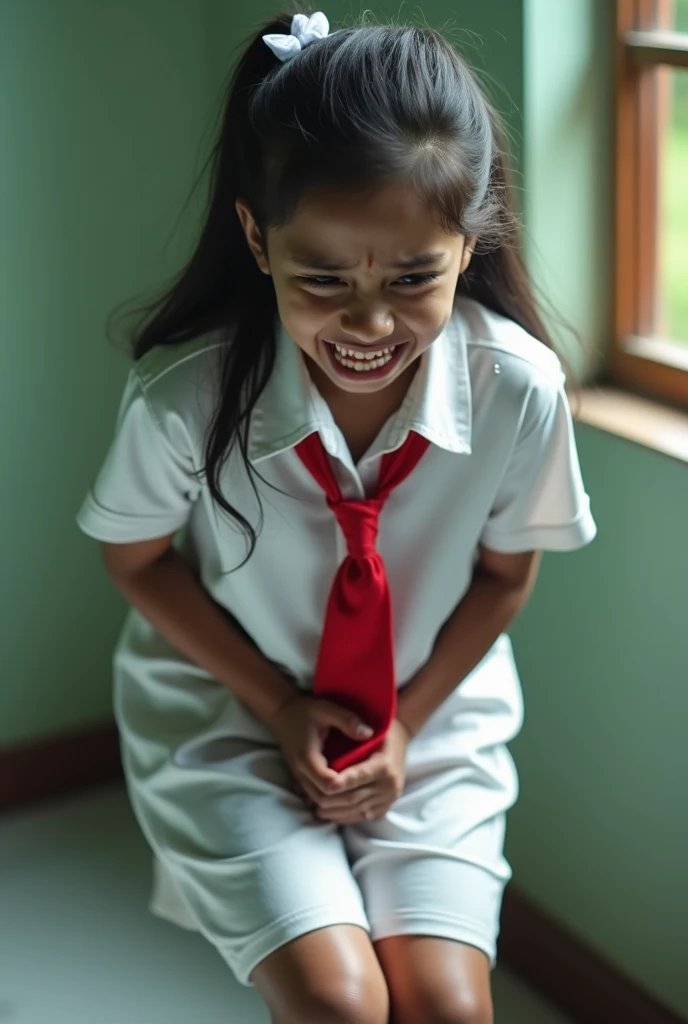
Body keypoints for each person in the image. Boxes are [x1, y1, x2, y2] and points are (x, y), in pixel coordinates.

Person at [77, 11, 597, 1024]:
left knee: (448, 1006)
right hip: (224, 709)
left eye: (413, 279)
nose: (369, 324)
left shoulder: (519, 390)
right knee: (336, 1001)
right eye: (324, 278)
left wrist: (404, 722)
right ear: (255, 236)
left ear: (468, 240)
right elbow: (135, 559)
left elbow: (504, 575)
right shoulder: (180, 394)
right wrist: (276, 704)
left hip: (432, 716)